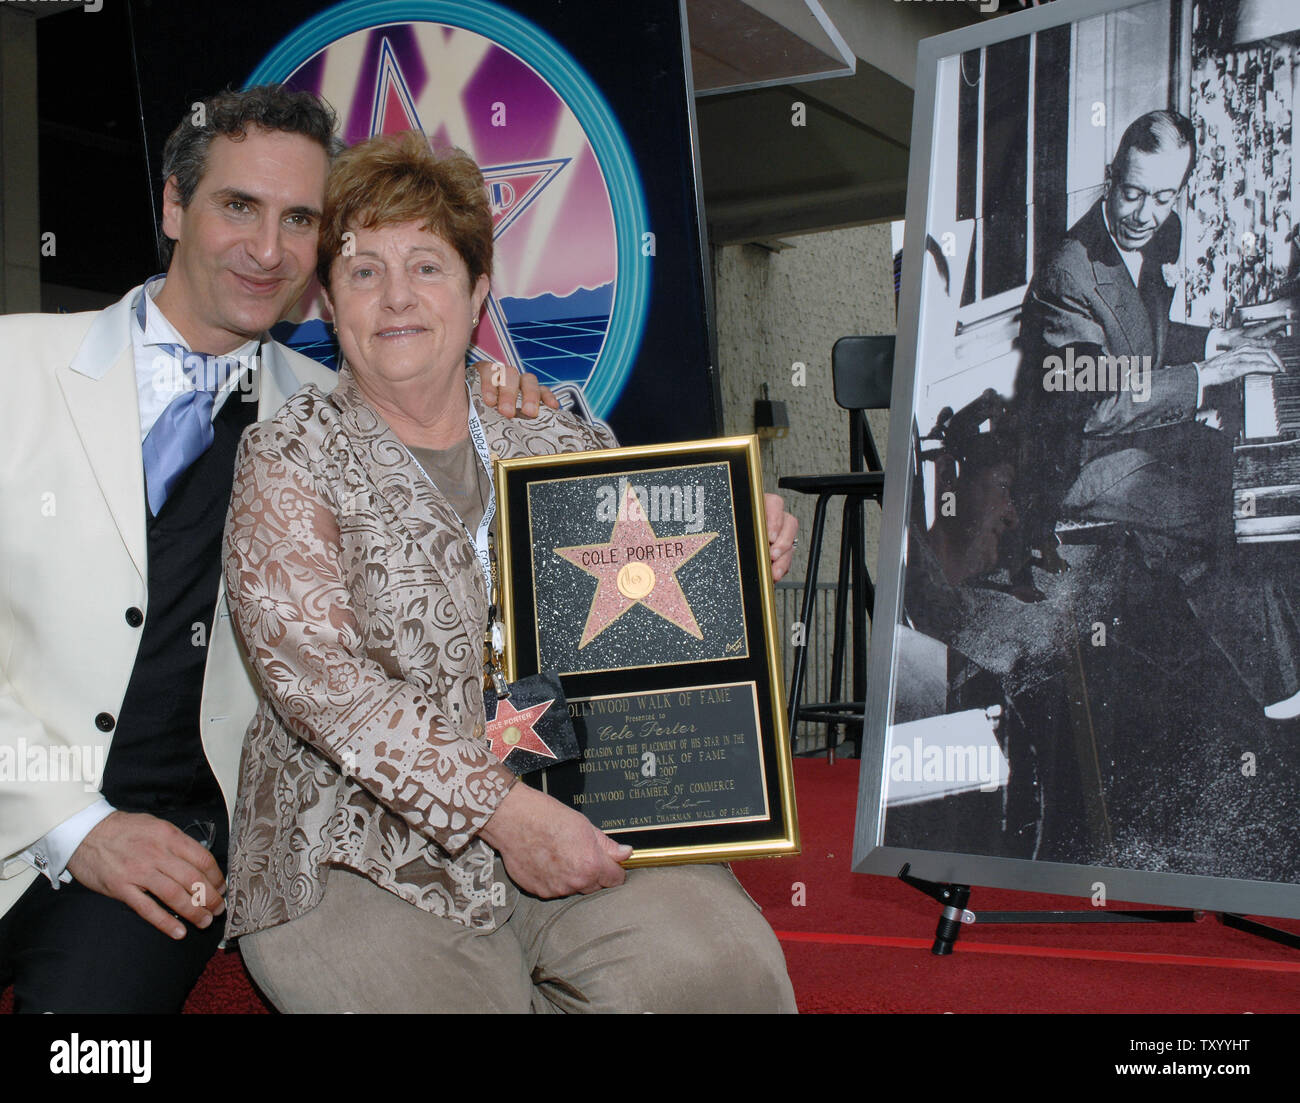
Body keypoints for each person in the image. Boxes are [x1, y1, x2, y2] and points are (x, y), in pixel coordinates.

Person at [221, 130, 800, 1013]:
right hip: (349, 838)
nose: (397, 297)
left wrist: (735, 554)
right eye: (364, 271)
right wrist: (499, 813)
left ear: (478, 289)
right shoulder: (287, 454)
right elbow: (321, 682)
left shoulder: (558, 429)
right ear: (329, 304)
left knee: (726, 976)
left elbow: (644, 616)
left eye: (427, 265)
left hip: (579, 798)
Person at [0, 87, 549, 1014]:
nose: (268, 250)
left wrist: (498, 398)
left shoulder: (343, 413)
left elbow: (480, 516)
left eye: (301, 220)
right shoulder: (14, 372)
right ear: (174, 207)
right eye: (238, 207)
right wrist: (73, 819)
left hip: (178, 847)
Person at [1010, 108, 1300, 715]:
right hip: (1078, 465)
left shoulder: (1153, 233)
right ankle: (1276, 694)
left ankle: (1271, 658)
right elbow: (1090, 402)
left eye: (1164, 196)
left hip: (1130, 437)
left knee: (1240, 465)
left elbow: (1144, 339)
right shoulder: (1070, 271)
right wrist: (1201, 378)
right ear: (1111, 176)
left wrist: (1215, 343)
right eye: (1133, 192)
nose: (1144, 213)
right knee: (1231, 504)